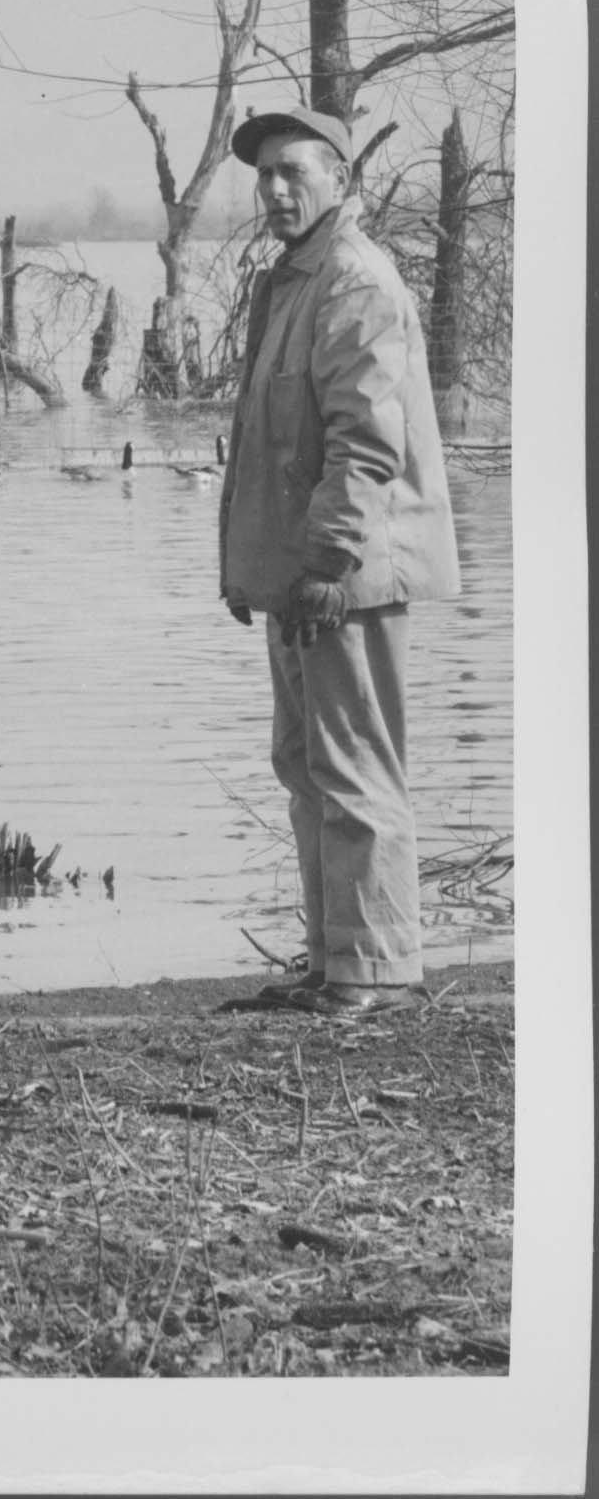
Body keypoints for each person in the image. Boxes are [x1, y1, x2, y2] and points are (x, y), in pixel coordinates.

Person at [217, 103, 459, 1018]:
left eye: (294, 172)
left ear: (340, 180)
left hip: (346, 573)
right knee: (305, 763)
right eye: (266, 175)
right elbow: (269, 442)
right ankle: (334, 964)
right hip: (306, 575)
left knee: (354, 767)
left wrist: (321, 562)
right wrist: (251, 571)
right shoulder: (293, 282)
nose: (275, 190)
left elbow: (364, 445)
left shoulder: (353, 279)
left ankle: (376, 972)